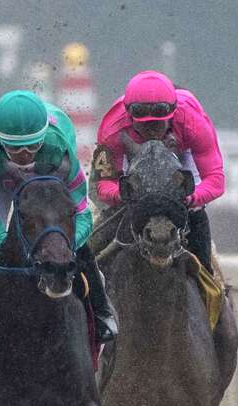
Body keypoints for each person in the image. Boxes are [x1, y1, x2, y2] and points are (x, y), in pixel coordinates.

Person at [0, 90, 116, 346]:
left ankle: (102, 312)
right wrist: (4, 239)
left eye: (32, 146)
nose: (24, 155)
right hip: (0, 177)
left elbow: (82, 214)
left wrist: (68, 244)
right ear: (0, 140)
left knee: (73, 245)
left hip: (49, 175)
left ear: (43, 138)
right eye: (14, 148)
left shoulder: (59, 147)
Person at [90, 70, 225, 271]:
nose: (152, 132)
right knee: (109, 214)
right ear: (129, 117)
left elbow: (215, 180)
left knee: (195, 210)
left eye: (157, 124)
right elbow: (103, 186)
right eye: (144, 126)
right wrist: (125, 195)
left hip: (179, 152)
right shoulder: (112, 129)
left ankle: (209, 279)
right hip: (132, 157)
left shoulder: (192, 122)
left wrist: (188, 198)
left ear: (172, 116)